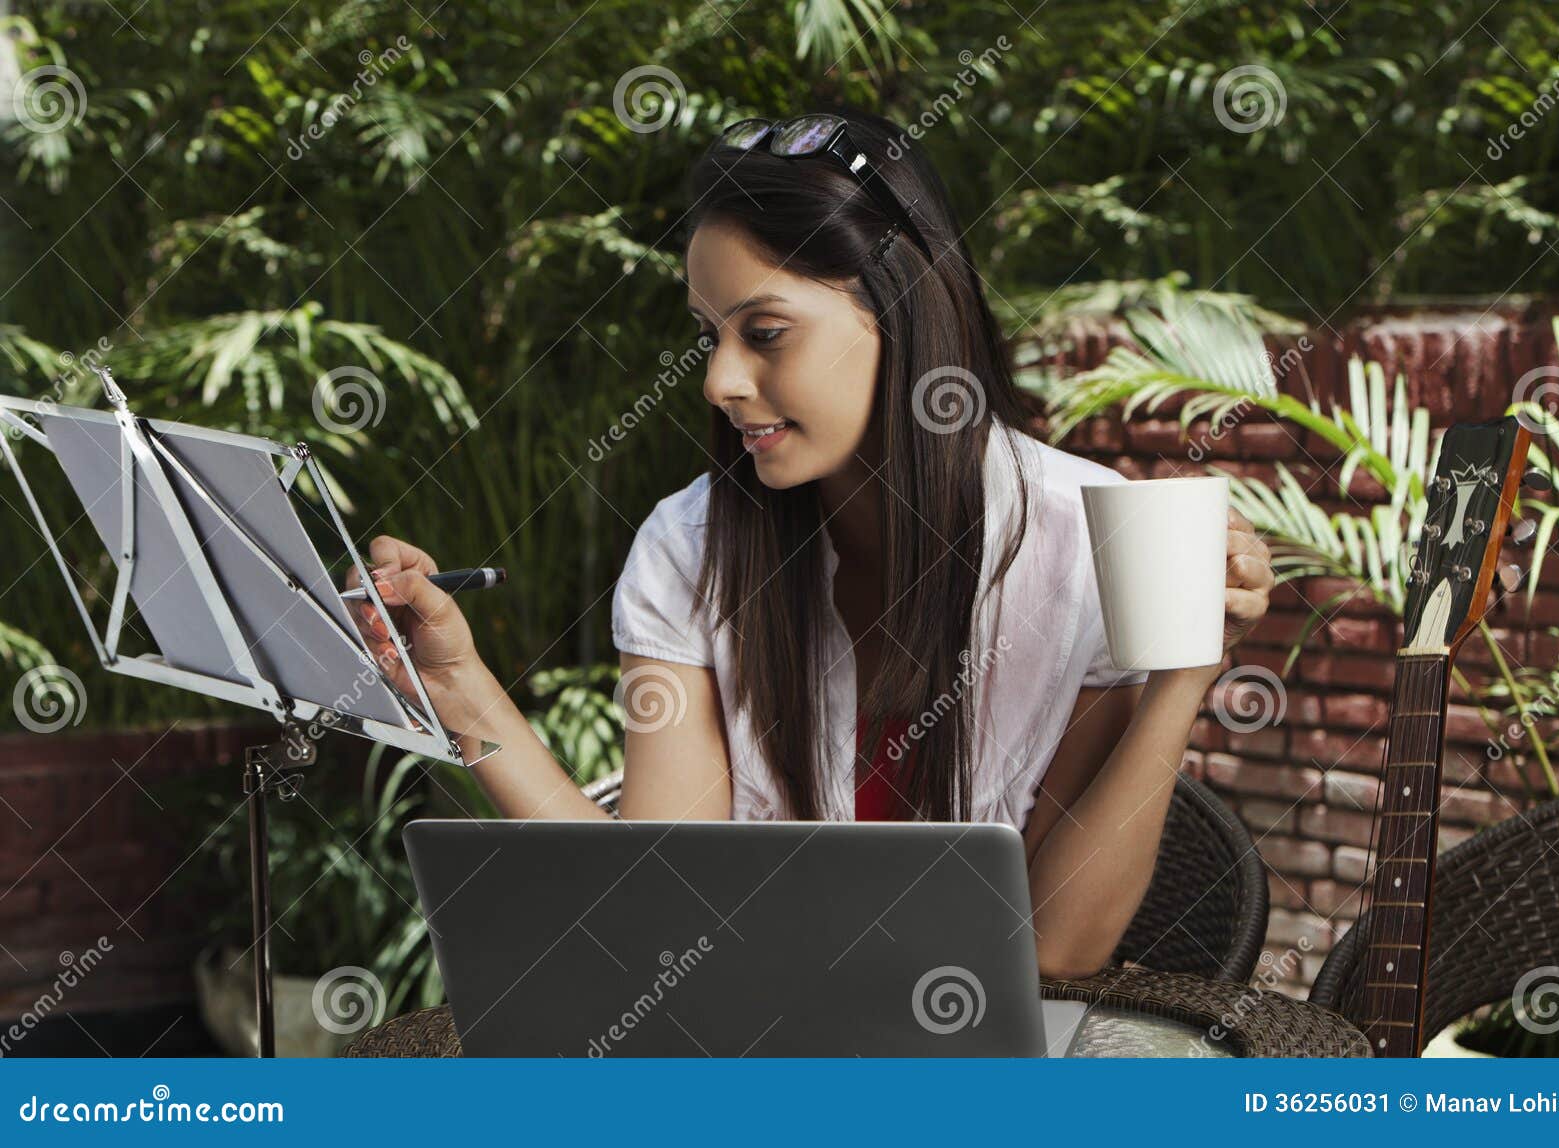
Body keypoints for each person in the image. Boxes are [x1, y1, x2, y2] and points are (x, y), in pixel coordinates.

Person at [346, 107, 1273, 980]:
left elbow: (1059, 948)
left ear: (901, 310)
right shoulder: (689, 547)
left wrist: (1183, 669)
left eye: (766, 333)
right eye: (709, 334)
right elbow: (657, 904)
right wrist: (459, 688)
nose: (718, 381)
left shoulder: (1082, 536)